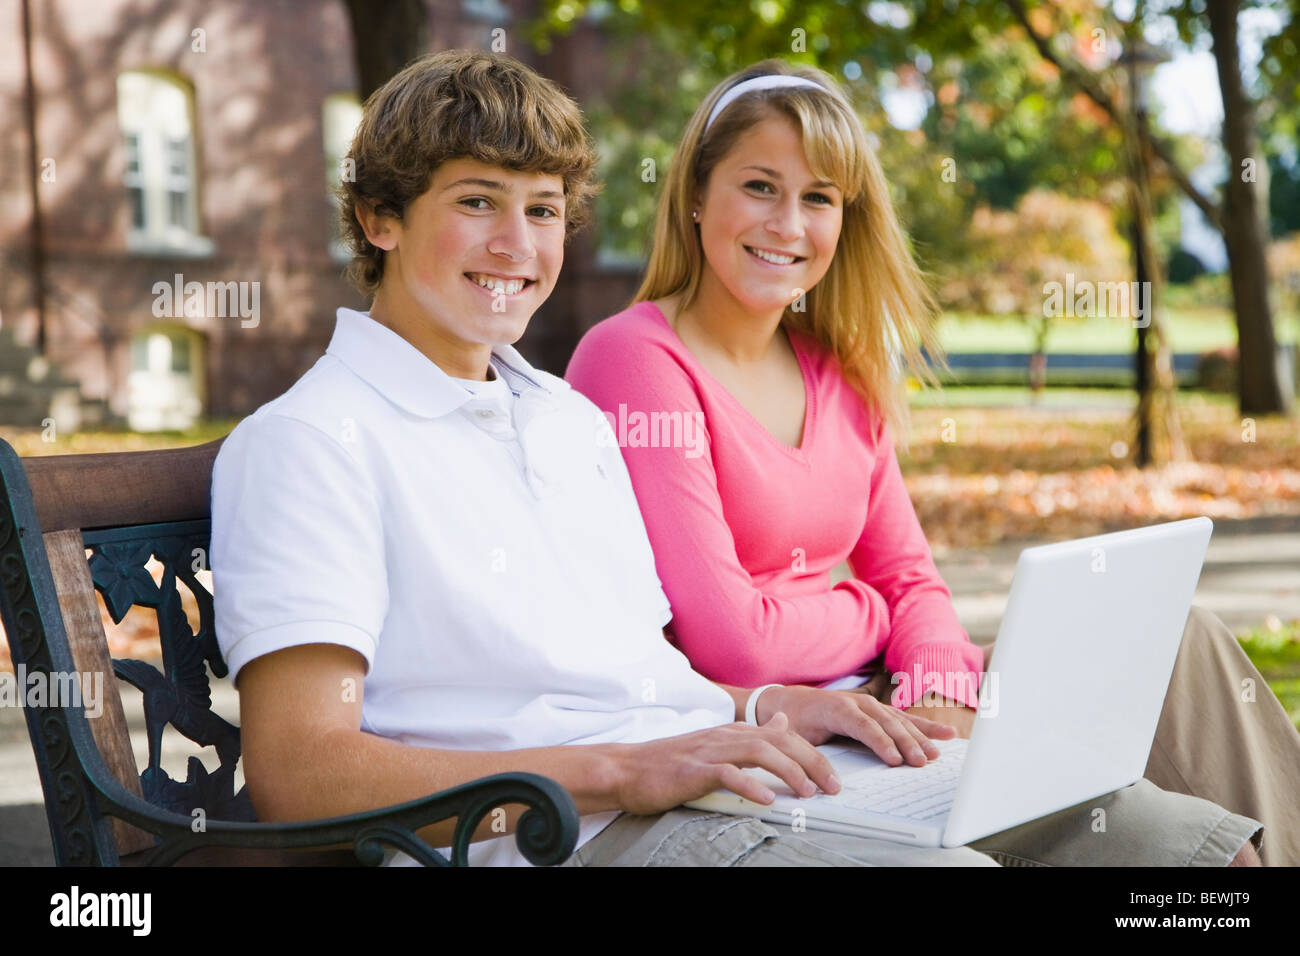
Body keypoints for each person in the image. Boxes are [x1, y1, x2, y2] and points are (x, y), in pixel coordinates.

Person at [211, 48, 1028, 869]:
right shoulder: (308, 444)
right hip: (561, 834)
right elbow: (301, 774)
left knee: (1133, 827)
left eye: (542, 211)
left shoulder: (566, 417)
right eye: (476, 201)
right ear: (379, 217)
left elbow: (636, 678)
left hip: (710, 782)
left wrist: (770, 708)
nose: (515, 245)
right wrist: (619, 772)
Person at [566, 60, 1296, 865]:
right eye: (760, 186)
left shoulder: (840, 369)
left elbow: (913, 577)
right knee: (1200, 858)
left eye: (818, 199)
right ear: (697, 194)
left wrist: (935, 685)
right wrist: (874, 619)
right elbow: (732, 643)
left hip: (887, 707)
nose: (787, 224)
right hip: (774, 731)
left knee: (1180, 643)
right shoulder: (634, 359)